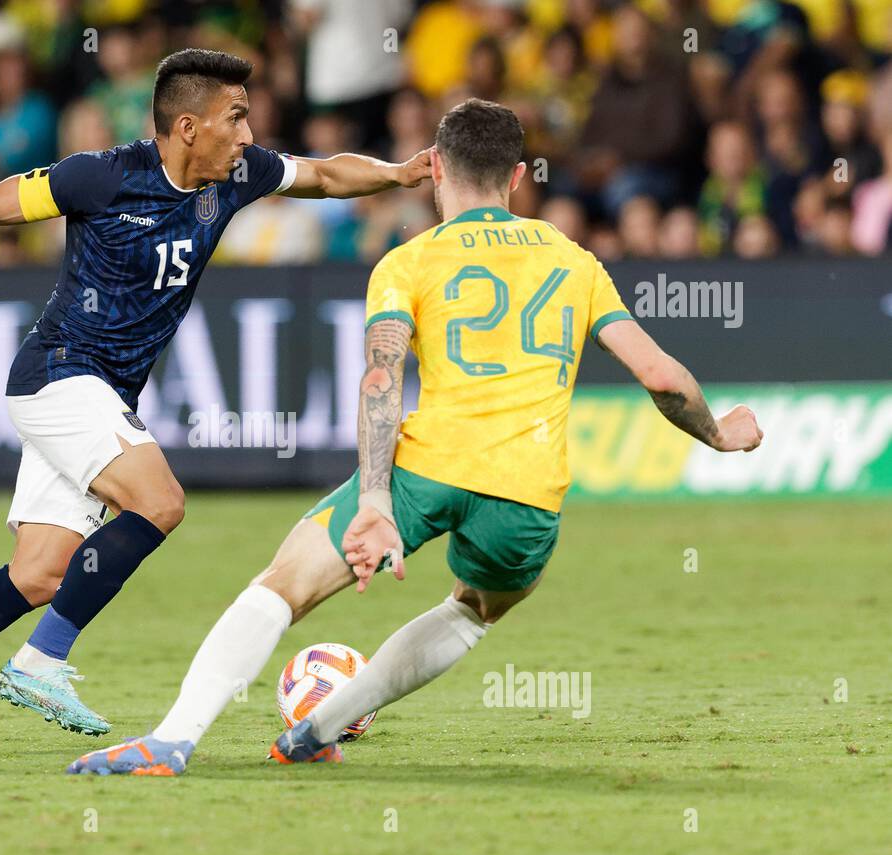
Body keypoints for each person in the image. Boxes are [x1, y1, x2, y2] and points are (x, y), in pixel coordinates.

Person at [67, 99, 764, 776]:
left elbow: (381, 380)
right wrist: (719, 435)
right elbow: (659, 375)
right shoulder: (572, 260)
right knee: (473, 610)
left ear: (434, 169)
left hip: (425, 468)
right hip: (528, 492)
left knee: (284, 585)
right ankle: (317, 730)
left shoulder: (409, 261)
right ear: (518, 177)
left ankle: (171, 742)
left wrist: (374, 501)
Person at [0, 49, 431, 752]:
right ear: (186, 126)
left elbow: (322, 174)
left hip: (98, 392)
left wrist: (396, 172)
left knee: (40, 574)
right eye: (235, 117)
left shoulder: (236, 174)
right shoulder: (102, 176)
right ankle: (40, 661)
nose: (248, 132)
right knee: (161, 501)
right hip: (57, 375)